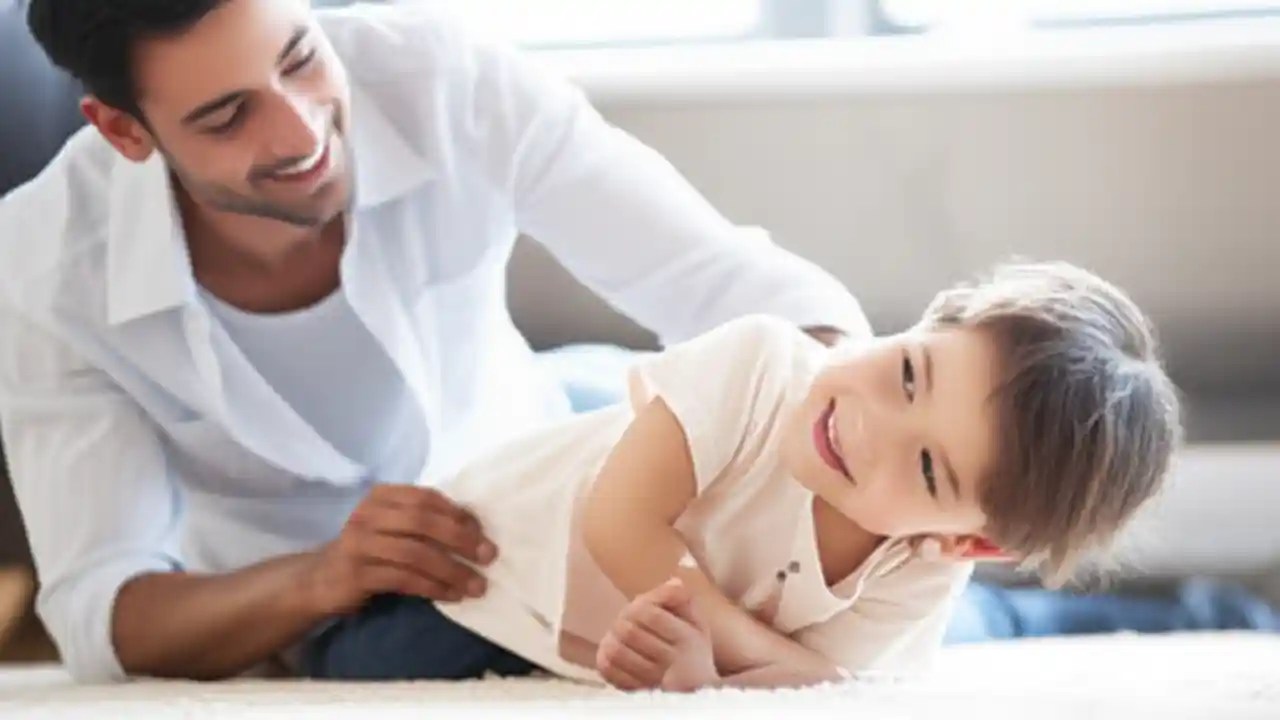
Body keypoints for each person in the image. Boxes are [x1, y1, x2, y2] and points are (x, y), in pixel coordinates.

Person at [0, 0, 867, 683]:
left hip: (571, 438)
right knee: (421, 649)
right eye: (228, 118)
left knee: (849, 491)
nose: (300, 132)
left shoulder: (446, 78)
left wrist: (860, 445)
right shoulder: (42, 266)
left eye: (301, 57)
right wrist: (325, 575)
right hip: (373, 603)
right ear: (124, 132)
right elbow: (100, 608)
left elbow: (744, 291)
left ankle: (985, 581)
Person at [302, 262, 1184, 691]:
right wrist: (740, 651)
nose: (872, 424)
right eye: (909, 372)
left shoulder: (926, 567)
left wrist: (706, 678)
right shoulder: (768, 364)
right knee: (354, 662)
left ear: (965, 537)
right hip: (505, 554)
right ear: (926, 321)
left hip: (661, 590)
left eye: (924, 464)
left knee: (980, 629)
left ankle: (1193, 611)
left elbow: (829, 695)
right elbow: (619, 525)